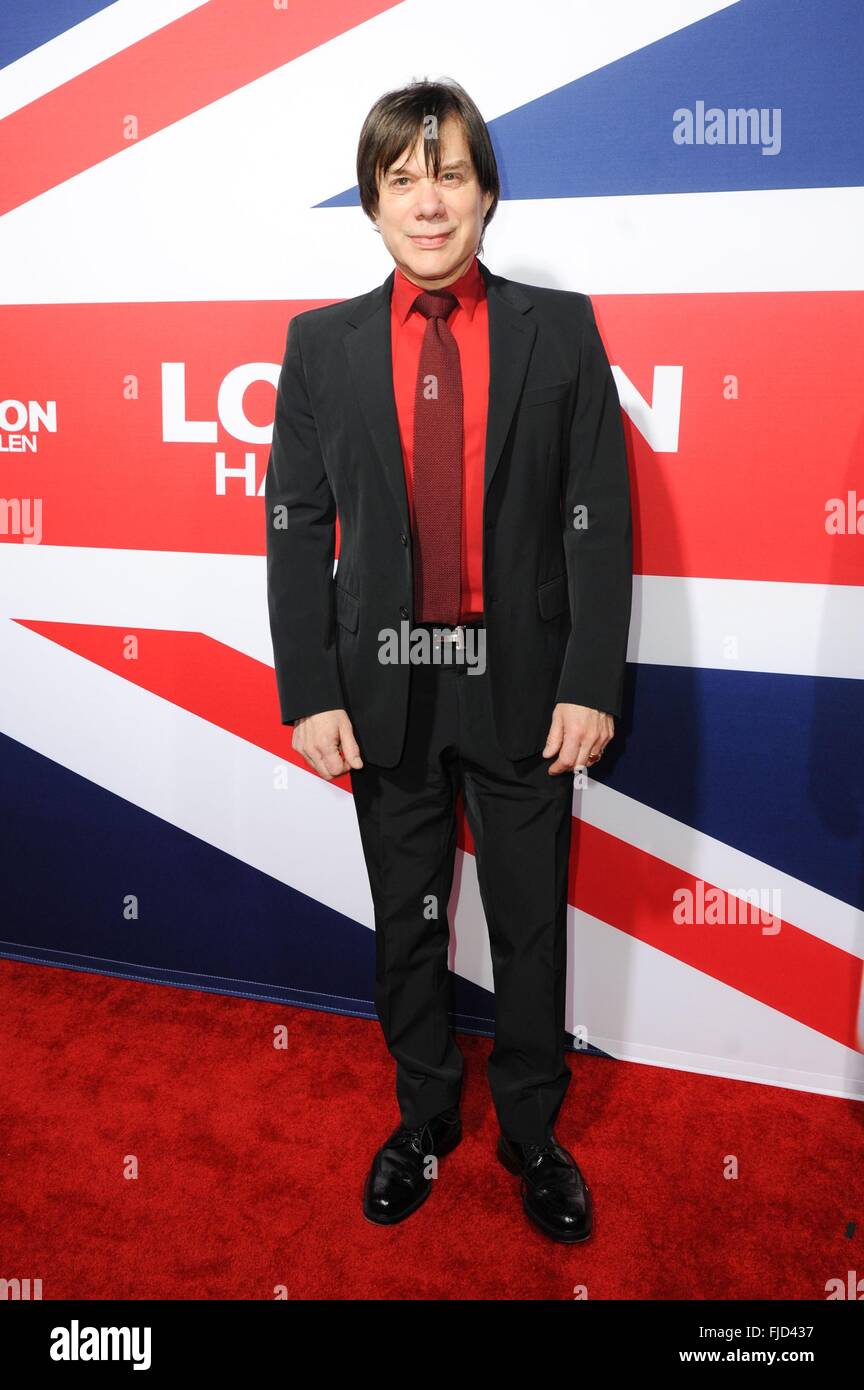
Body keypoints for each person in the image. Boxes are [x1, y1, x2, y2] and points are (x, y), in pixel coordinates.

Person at [265, 78, 632, 1244]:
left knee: (531, 922)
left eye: (453, 175)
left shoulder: (559, 330)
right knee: (406, 918)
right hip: (385, 686)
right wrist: (310, 688)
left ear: (487, 192)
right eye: (405, 179)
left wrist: (587, 678)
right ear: (373, 202)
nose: (431, 203)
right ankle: (423, 1116)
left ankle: (532, 1129)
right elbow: (295, 523)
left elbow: (601, 516)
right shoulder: (317, 346)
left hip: (523, 682)